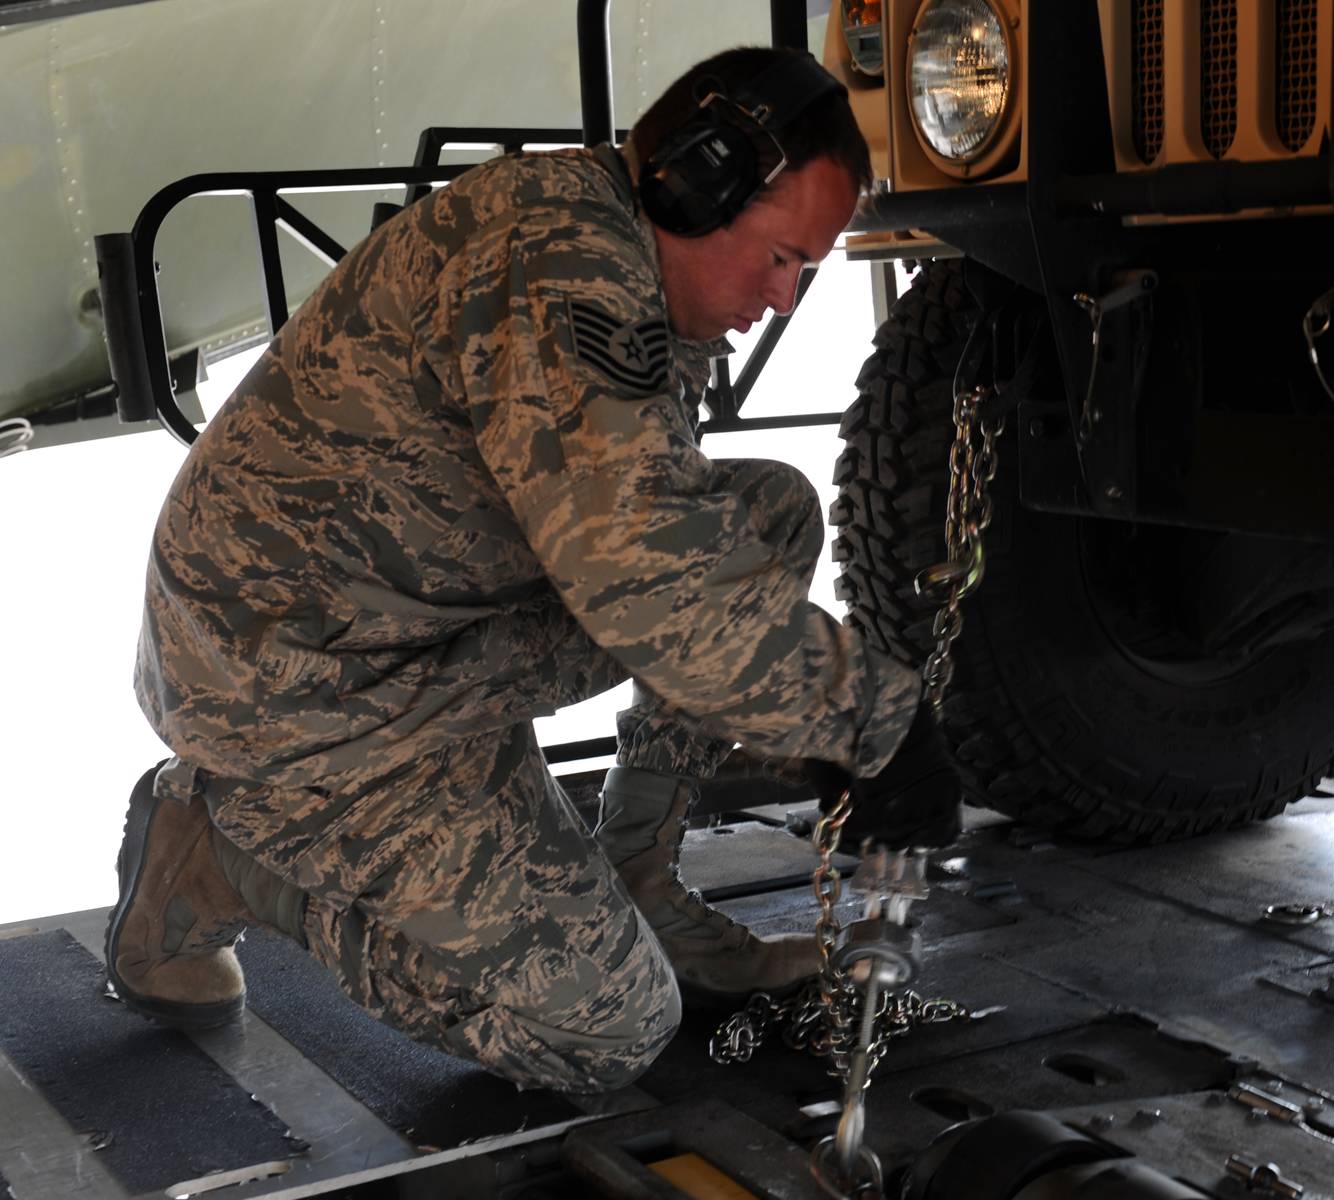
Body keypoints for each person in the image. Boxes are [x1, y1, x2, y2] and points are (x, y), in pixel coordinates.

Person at [104, 45, 960, 1098]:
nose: (784, 301)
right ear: (696, 186)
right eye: (781, 257)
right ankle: (217, 852)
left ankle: (641, 881)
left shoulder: (627, 253)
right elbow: (645, 577)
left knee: (763, 517)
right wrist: (865, 724)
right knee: (604, 1028)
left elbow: (670, 535)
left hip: (428, 629)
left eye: (808, 272)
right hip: (297, 687)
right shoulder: (561, 260)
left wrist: (817, 715)